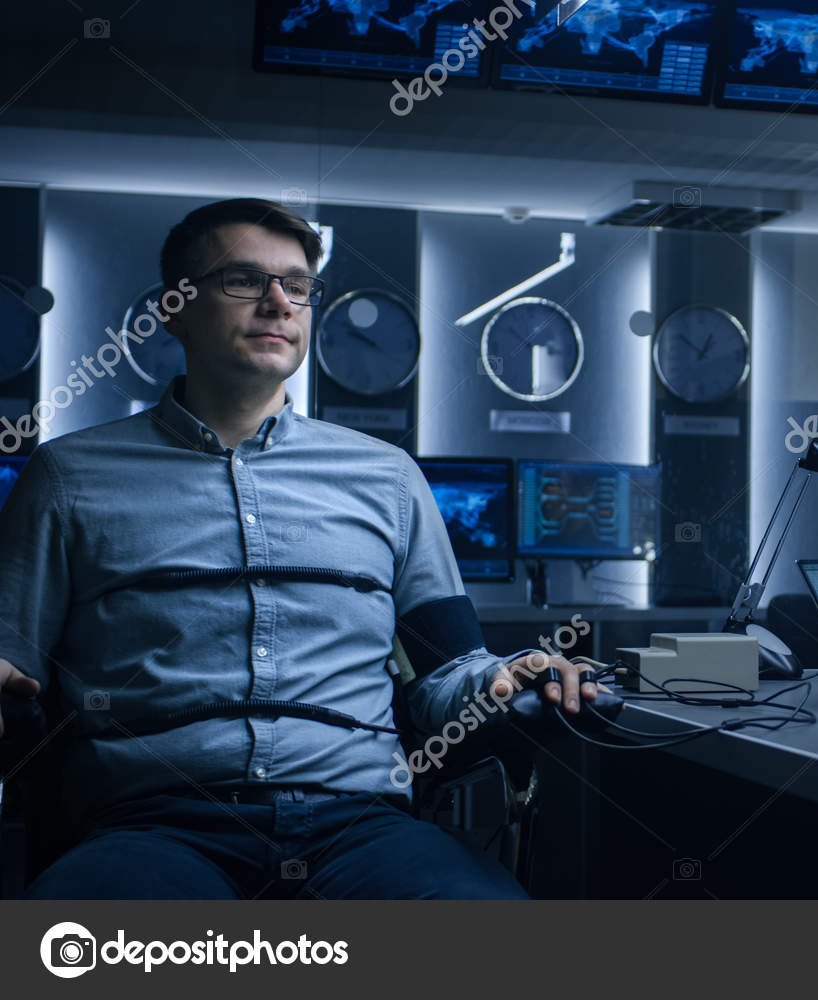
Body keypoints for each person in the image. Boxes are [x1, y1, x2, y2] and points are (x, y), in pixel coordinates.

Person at [0, 198, 602, 898]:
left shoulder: (389, 477)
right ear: (173, 307)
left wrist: (509, 674)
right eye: (243, 280)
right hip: (151, 829)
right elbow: (12, 659)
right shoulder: (67, 477)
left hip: (363, 828)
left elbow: (447, 675)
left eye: (298, 286)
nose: (278, 303)